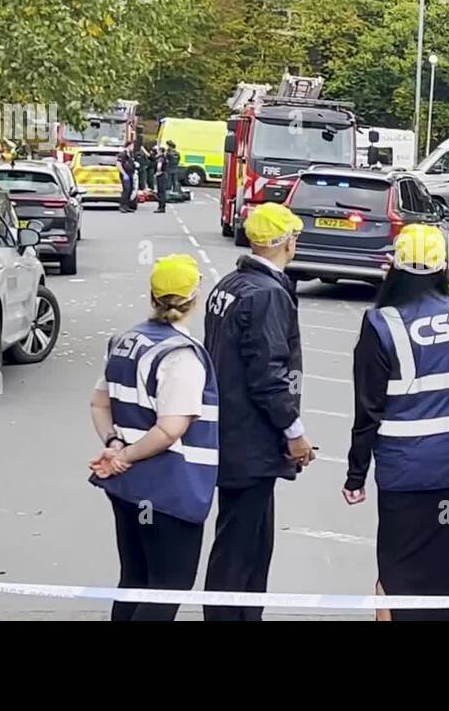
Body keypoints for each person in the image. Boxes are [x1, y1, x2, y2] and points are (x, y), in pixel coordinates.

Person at [343, 225, 449, 621]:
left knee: (396, 574)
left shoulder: (382, 324)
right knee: (442, 572)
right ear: (445, 265)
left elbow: (367, 410)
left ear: (394, 265)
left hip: (405, 472)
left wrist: (356, 475)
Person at [87, 254, 219, 621]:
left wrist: (114, 445)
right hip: (168, 491)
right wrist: (125, 455)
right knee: (167, 584)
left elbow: (100, 403)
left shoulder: (125, 341)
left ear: (152, 294)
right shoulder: (181, 355)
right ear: (195, 297)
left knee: (135, 578)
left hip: (126, 488)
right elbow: (170, 429)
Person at [202, 202, 315, 621]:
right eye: (293, 235)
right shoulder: (267, 295)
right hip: (251, 438)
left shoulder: (231, 284)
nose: (297, 242)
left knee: (248, 541)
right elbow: (268, 374)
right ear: (285, 241)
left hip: (231, 432)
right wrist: (293, 431)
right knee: (240, 552)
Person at [117, 148, 137, 213]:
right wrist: (124, 174)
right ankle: (122, 206)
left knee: (130, 190)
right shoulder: (122, 154)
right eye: (132, 145)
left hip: (130, 174)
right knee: (126, 190)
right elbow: (118, 165)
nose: (133, 147)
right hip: (125, 174)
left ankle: (127, 206)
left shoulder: (131, 154)